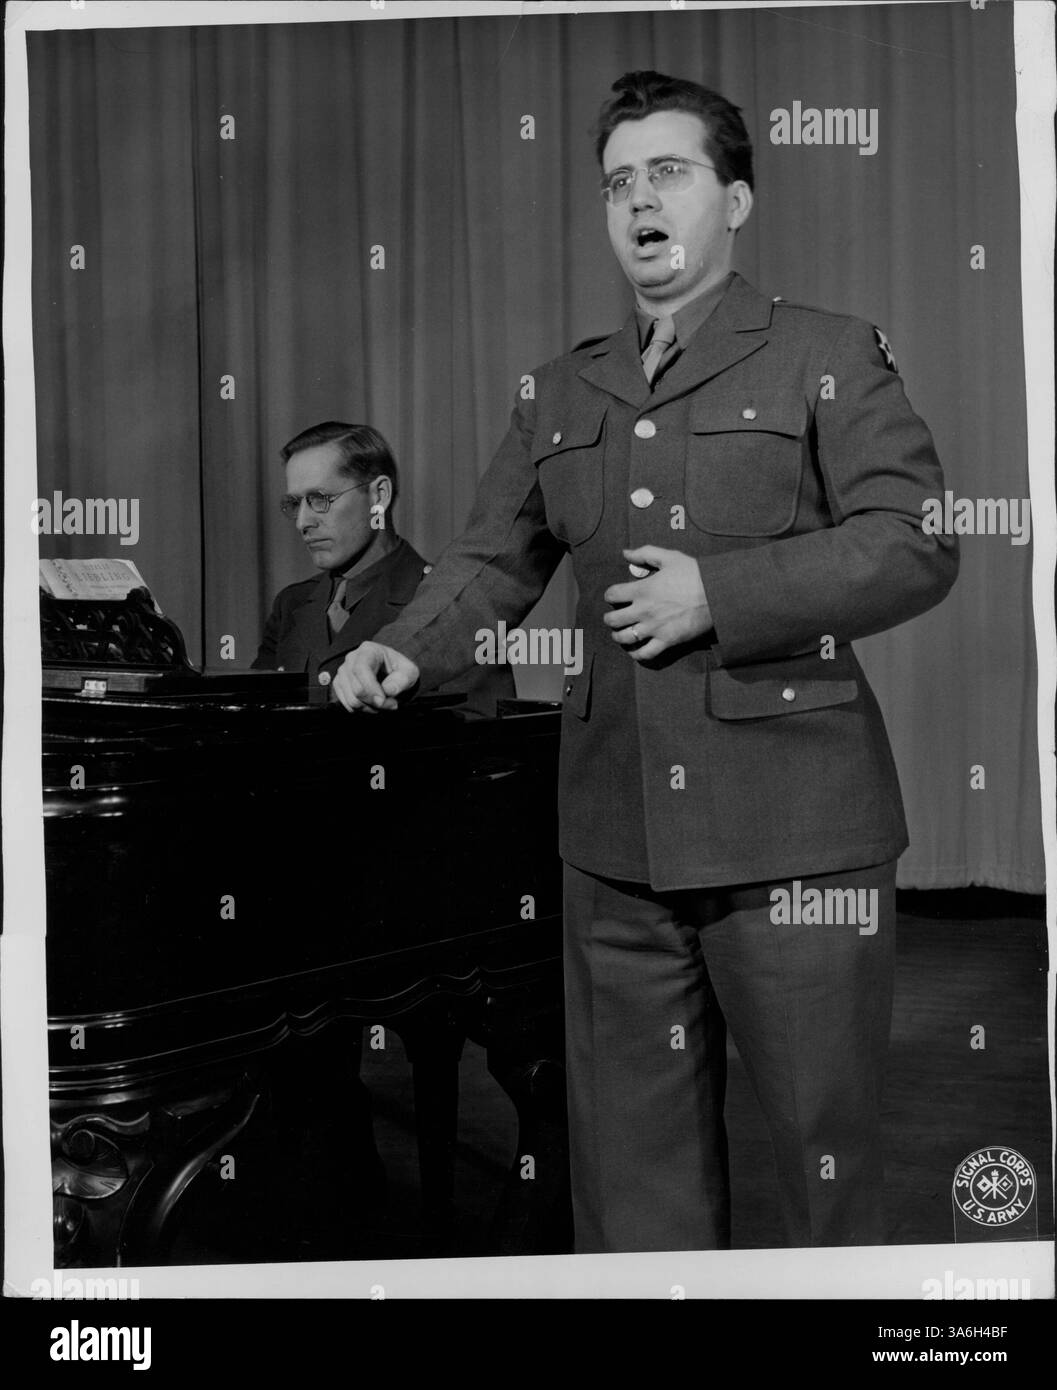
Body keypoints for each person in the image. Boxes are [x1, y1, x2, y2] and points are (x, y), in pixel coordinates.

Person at [330, 71, 959, 1253]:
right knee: (632, 1183)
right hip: (613, 839)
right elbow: (487, 558)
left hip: (795, 836)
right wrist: (399, 648)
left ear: (736, 198)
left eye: (666, 173)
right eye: (617, 182)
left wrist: (719, 592)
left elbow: (912, 542)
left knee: (824, 1167)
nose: (637, 201)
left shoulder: (824, 352)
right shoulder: (563, 388)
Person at [252, 420, 513, 713]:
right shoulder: (291, 605)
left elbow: (485, 740)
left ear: (379, 495)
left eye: (319, 499)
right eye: (294, 504)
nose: (303, 523)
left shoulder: (458, 606)